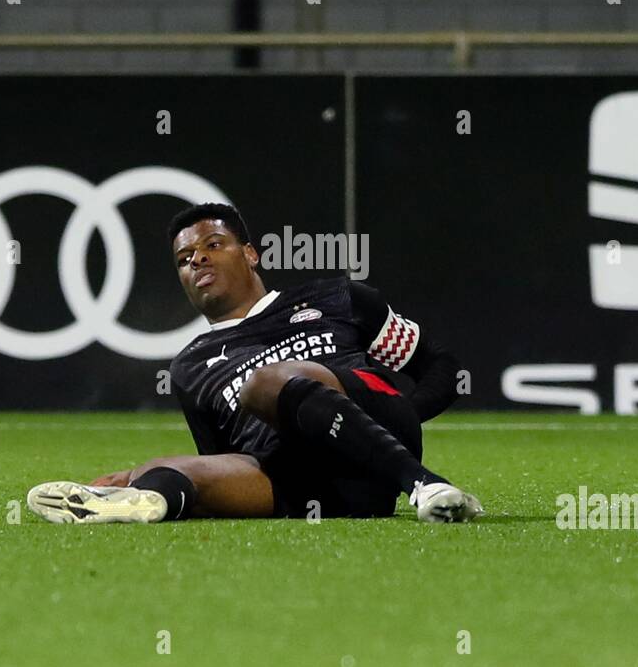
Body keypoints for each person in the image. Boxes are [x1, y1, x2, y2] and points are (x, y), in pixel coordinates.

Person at [27, 203, 482, 525]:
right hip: (312, 488)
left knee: (269, 382)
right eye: (184, 259)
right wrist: (140, 476)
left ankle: (424, 484)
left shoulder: (335, 297)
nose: (197, 259)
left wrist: (384, 423)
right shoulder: (191, 366)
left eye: (212, 244)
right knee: (164, 468)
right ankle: (135, 503)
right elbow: (230, 459)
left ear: (249, 253)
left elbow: (438, 364)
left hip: (377, 450)